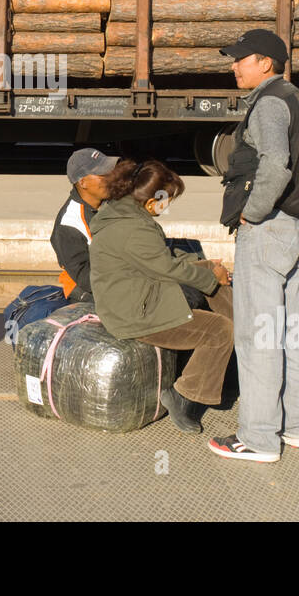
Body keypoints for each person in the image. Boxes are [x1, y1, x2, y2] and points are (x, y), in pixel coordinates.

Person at [212, 28, 299, 463]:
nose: (234, 65)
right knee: (293, 334)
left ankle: (258, 438)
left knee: (258, 337)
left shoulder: (269, 103)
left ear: (265, 63)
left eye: (241, 58)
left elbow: (275, 164)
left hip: (269, 230)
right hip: (297, 231)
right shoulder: (295, 98)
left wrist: (252, 213)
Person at [88, 158, 234, 434]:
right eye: (168, 200)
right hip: (136, 314)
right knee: (220, 331)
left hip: (136, 296)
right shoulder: (134, 229)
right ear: (152, 202)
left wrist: (207, 268)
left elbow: (159, 257)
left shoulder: (123, 213)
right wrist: (210, 275)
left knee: (206, 270)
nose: (168, 206)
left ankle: (247, 342)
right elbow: (166, 266)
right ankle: (185, 396)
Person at [50, 148, 118, 303]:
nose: (111, 178)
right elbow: (85, 278)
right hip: (89, 292)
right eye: (103, 175)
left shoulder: (112, 202)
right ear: (83, 182)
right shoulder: (69, 224)